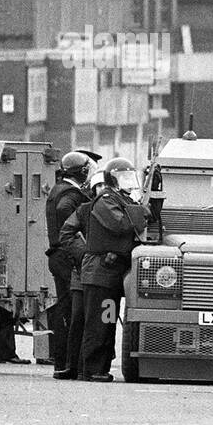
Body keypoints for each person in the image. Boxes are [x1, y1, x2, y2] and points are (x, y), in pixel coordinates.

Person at [80, 157, 149, 383]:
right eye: (124, 177)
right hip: (100, 272)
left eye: (130, 177)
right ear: (113, 179)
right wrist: (143, 212)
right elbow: (121, 224)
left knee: (107, 322)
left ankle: (99, 367)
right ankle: (91, 369)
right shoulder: (106, 199)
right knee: (98, 324)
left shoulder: (121, 198)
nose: (129, 181)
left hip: (108, 274)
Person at [45, 150, 97, 375]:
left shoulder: (57, 189)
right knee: (73, 312)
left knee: (65, 309)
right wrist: (77, 242)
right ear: (82, 171)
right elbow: (64, 209)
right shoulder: (70, 194)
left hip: (58, 255)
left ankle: (63, 361)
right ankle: (69, 361)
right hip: (67, 256)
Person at [55, 171, 107, 380]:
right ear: (93, 189)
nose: (103, 190)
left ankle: (92, 367)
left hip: (102, 276)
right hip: (84, 273)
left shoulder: (116, 209)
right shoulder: (85, 209)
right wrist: (84, 255)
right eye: (99, 186)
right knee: (78, 320)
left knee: (101, 322)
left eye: (105, 186)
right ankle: (73, 366)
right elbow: (66, 234)